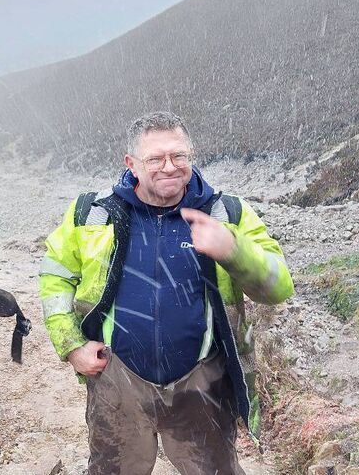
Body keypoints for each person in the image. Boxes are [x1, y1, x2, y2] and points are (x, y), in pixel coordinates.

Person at [38, 111, 294, 475]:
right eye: (155, 159)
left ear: (192, 155)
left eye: (178, 156)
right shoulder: (93, 215)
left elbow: (279, 287)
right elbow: (56, 277)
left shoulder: (227, 214)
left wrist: (234, 250)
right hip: (117, 381)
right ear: (131, 164)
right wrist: (70, 344)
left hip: (202, 383)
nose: (169, 167)